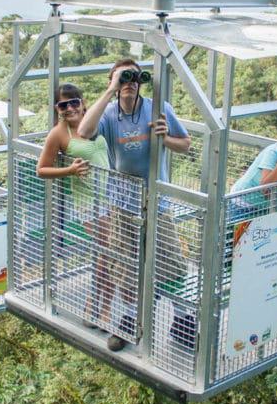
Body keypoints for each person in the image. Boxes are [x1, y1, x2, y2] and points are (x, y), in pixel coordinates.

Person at [79, 59, 192, 351]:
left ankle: (182, 322)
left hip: (156, 201)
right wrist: (110, 91)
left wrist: (166, 138)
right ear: (113, 80)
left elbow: (186, 144)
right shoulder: (109, 113)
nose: (130, 82)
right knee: (126, 264)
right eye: (124, 77)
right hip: (122, 203)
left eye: (134, 78)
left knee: (170, 262)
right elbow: (84, 131)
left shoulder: (158, 108)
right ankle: (129, 323)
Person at [37, 83, 114, 328]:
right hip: (88, 202)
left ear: (82, 102)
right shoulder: (59, 134)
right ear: (57, 108)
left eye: (74, 102)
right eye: (64, 105)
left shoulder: (97, 121)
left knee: (110, 252)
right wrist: (69, 170)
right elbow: (42, 169)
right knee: (108, 251)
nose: (70, 108)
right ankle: (95, 305)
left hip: (112, 196)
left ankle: (103, 307)